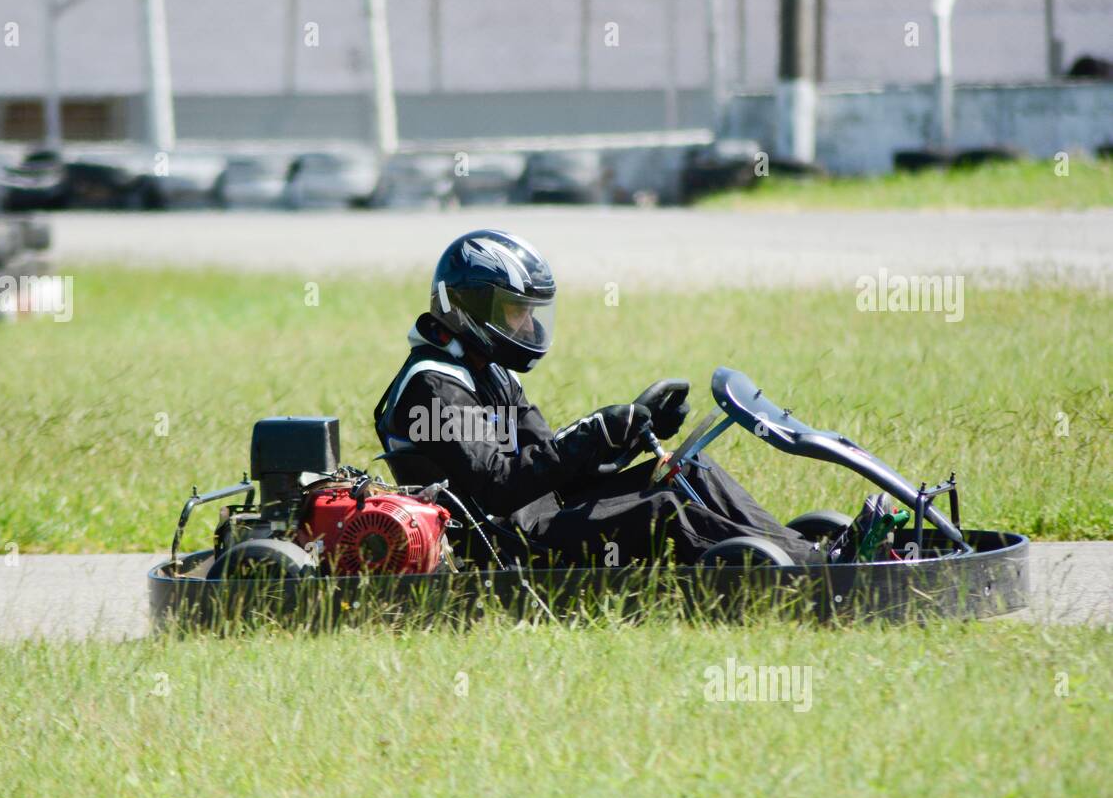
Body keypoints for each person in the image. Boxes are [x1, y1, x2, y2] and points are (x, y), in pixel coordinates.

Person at [373, 229, 887, 568]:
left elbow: (554, 470)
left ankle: (814, 555)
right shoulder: (432, 386)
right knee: (663, 506)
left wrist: (631, 431)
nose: (526, 324)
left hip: (544, 515)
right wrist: (594, 432)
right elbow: (500, 488)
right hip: (508, 547)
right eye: (514, 312)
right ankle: (822, 574)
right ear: (467, 306)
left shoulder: (491, 375)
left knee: (690, 469)